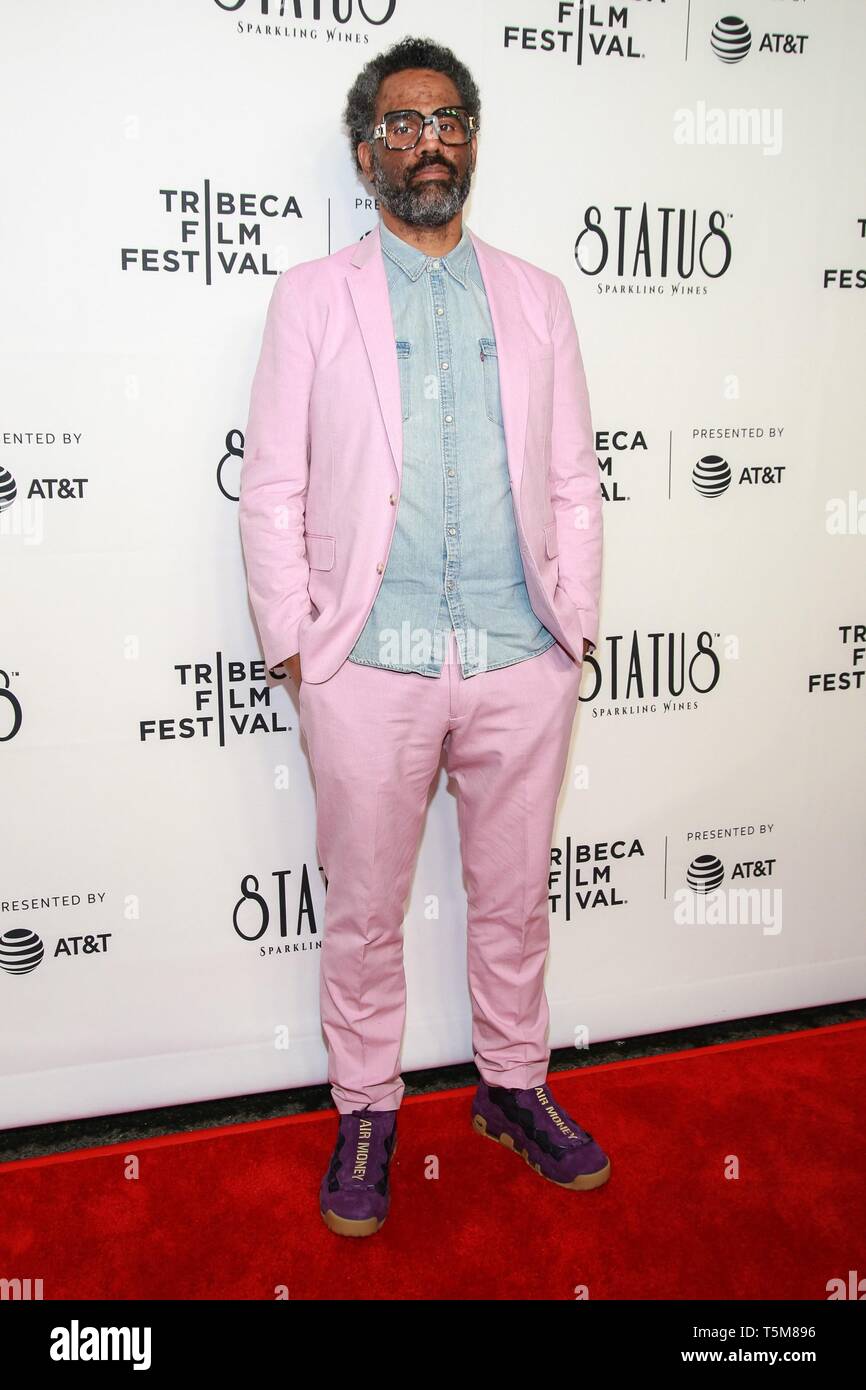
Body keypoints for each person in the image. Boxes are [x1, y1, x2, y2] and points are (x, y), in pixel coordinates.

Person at [238, 35, 608, 1239]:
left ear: (472, 139)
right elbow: (274, 488)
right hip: (367, 662)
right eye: (400, 124)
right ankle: (364, 1107)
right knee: (362, 907)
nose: (427, 141)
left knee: (512, 901)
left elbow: (570, 486)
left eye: (446, 119)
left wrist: (576, 632)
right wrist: (297, 644)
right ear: (364, 153)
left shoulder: (539, 299)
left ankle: (511, 1086)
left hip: (518, 654)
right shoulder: (311, 296)